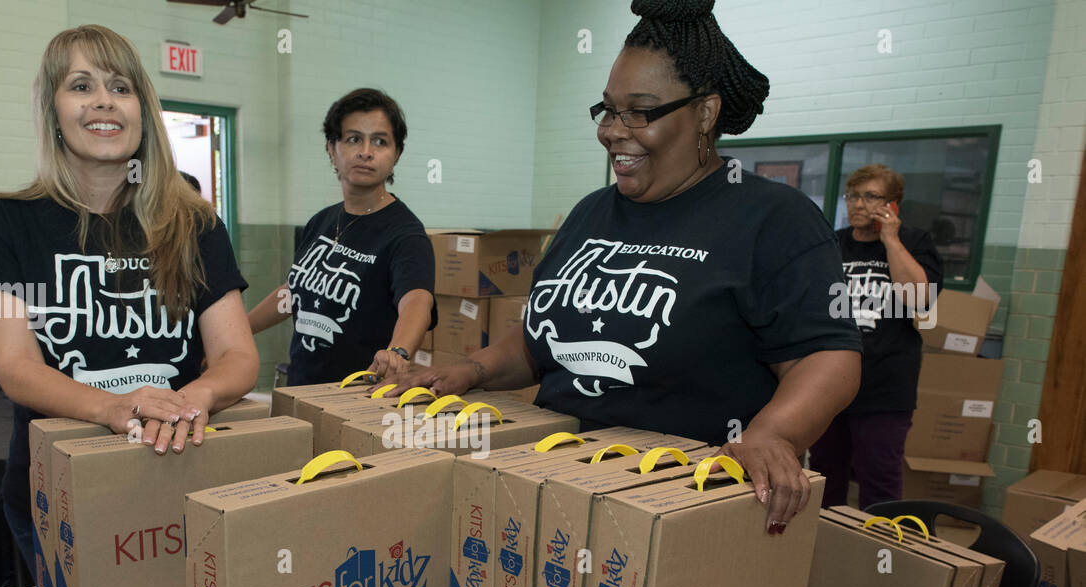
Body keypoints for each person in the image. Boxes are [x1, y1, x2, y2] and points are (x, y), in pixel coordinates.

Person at [398, 0, 862, 534]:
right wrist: (471, 371)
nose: (614, 130)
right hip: (556, 476)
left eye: (640, 111)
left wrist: (774, 433)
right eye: (608, 109)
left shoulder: (773, 218)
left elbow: (828, 356)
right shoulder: (591, 212)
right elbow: (539, 339)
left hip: (679, 500)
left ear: (705, 114)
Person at [0, 25, 258, 580]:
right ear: (53, 111)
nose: (104, 100)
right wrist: (115, 409)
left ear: (142, 111)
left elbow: (238, 357)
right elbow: (14, 366)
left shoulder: (193, 222)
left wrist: (191, 398)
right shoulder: (3, 220)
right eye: (81, 85)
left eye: (120, 87)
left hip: (175, 468)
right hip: (59, 486)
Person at [247, 88, 436, 385]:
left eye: (380, 141)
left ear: (396, 154)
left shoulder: (405, 235)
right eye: (353, 139)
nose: (366, 151)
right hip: (301, 388)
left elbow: (416, 302)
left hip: (356, 399)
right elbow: (293, 292)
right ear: (331, 149)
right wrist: (238, 330)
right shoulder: (320, 221)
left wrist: (398, 351)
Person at [809, 164, 943, 508]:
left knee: (879, 479)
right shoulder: (830, 242)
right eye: (853, 195)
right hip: (830, 380)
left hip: (885, 384)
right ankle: (824, 551)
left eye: (871, 196)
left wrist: (891, 240)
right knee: (825, 476)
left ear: (893, 204)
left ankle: (877, 558)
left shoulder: (913, 242)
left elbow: (919, 301)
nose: (858, 204)